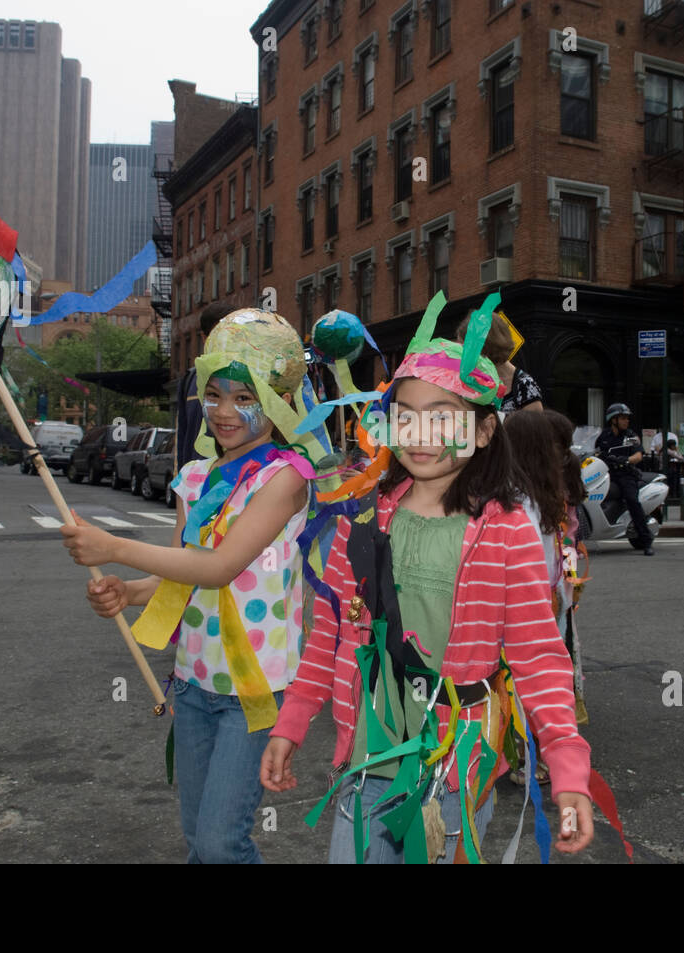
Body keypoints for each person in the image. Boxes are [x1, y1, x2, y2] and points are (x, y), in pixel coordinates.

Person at [260, 300, 594, 863]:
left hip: (456, 769)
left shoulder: (508, 531)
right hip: (366, 762)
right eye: (407, 414)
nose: (421, 433)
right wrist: (292, 721)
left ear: (487, 429)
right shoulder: (362, 520)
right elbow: (332, 633)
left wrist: (567, 768)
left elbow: (539, 656)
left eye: (444, 416)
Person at [63, 309, 325, 863]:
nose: (225, 411)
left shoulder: (285, 479)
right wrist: (127, 592)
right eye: (214, 394)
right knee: (197, 843)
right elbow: (184, 570)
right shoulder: (196, 477)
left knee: (221, 843)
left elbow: (222, 566)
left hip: (255, 691)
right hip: (192, 683)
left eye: (244, 397)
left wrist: (114, 545)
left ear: (276, 401)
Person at [504, 409, 590, 779]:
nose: (563, 454)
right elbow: (531, 558)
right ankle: (523, 755)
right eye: (556, 446)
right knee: (529, 680)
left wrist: (568, 584)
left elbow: (561, 543)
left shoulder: (539, 493)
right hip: (528, 608)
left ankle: (527, 751)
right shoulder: (518, 500)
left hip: (549, 600)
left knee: (536, 679)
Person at [175, 302, 236, 470]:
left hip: (241, 485)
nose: (228, 342)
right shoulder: (189, 380)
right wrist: (180, 487)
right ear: (205, 338)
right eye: (220, 336)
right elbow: (181, 440)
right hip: (196, 486)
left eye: (234, 335)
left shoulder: (252, 379)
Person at [594, 403, 655, 554]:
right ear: (613, 420)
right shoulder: (604, 436)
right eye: (622, 418)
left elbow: (638, 456)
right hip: (607, 475)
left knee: (632, 500)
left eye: (627, 418)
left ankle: (646, 540)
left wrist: (626, 460)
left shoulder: (630, 436)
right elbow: (595, 452)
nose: (626, 421)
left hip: (626, 475)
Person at [456, 310, 544, 412]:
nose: (463, 355)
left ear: (484, 345)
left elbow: (535, 427)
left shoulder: (525, 386)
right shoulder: (473, 381)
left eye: (466, 348)